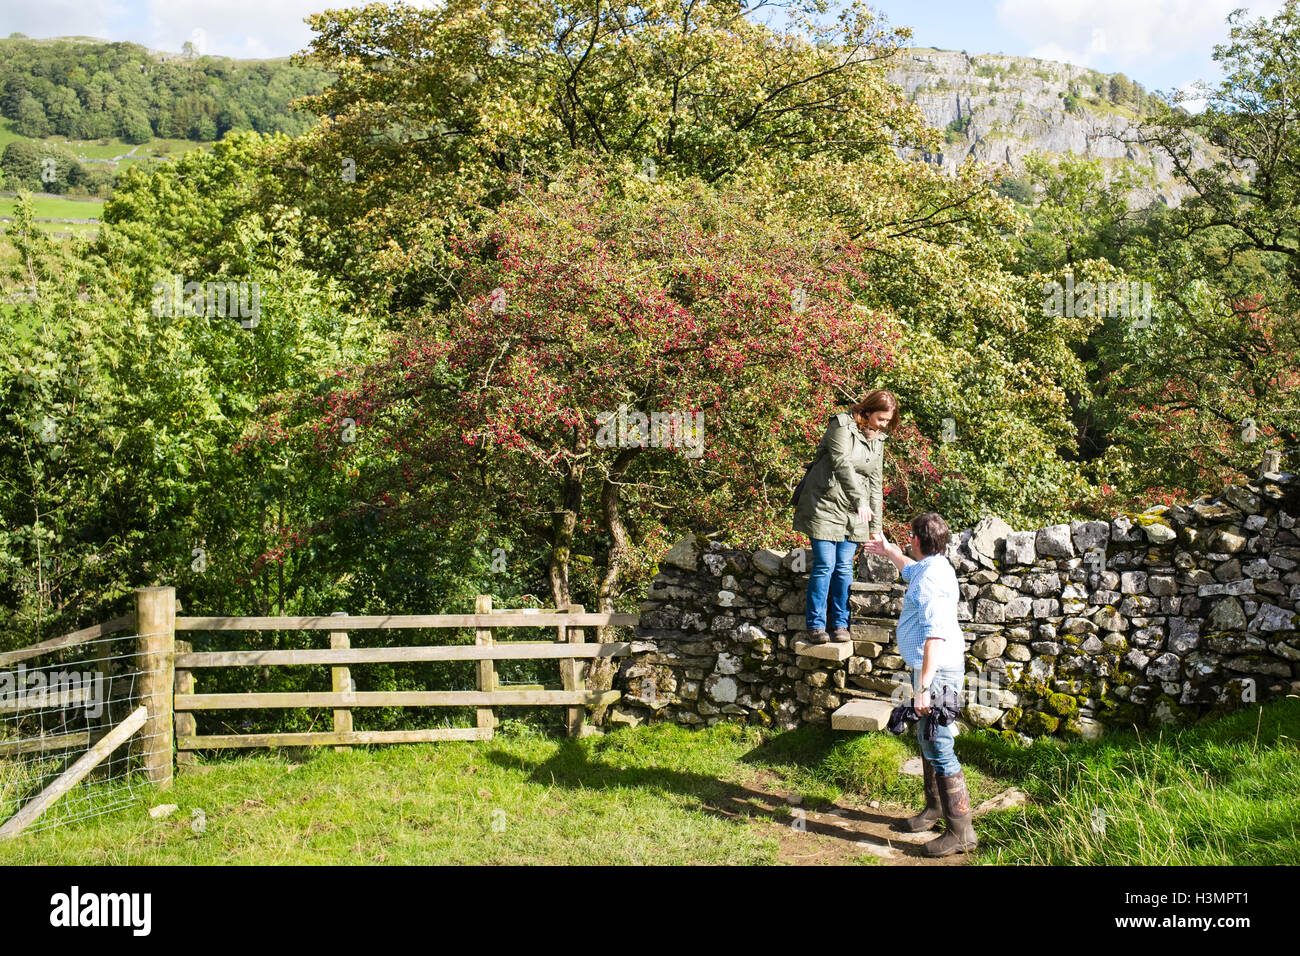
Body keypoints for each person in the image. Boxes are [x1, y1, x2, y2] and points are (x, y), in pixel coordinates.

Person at [863, 512, 977, 857]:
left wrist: (924, 687)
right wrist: (888, 551)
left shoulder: (931, 581)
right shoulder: (935, 566)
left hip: (937, 672)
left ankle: (962, 833)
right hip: (934, 670)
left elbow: (934, 636)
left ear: (917, 539)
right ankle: (935, 809)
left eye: (909, 537)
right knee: (928, 738)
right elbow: (910, 568)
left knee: (939, 744)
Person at [792, 390, 898, 644]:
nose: (884, 425)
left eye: (887, 421)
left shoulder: (878, 440)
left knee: (843, 568)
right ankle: (816, 625)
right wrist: (860, 501)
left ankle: (840, 624)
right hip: (825, 505)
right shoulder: (840, 425)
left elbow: (875, 482)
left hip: (854, 513)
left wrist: (876, 526)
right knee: (825, 565)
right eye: (881, 419)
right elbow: (842, 464)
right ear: (868, 411)